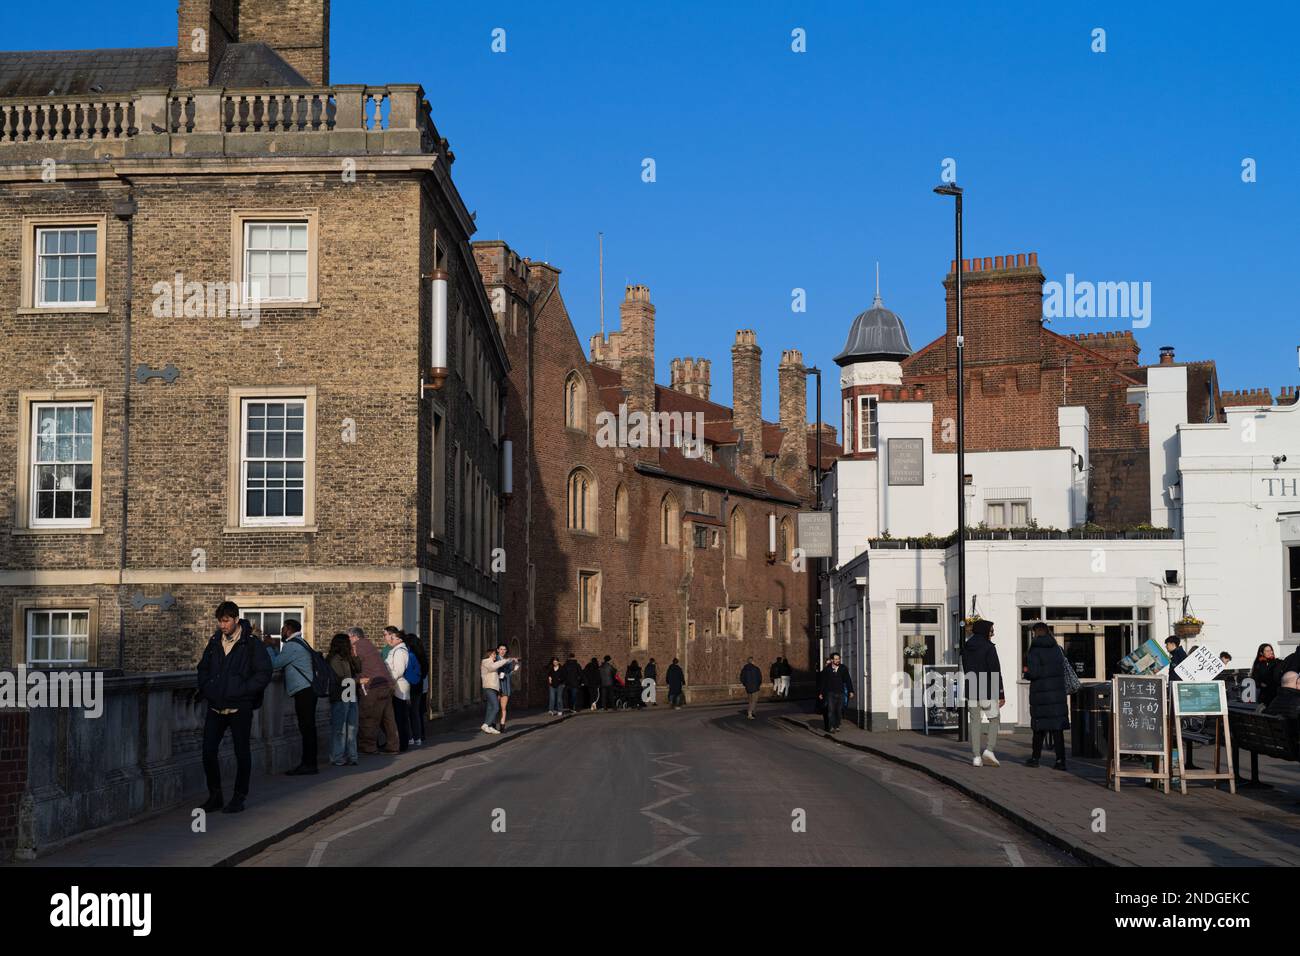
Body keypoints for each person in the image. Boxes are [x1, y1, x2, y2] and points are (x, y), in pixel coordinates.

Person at [196, 601, 272, 814]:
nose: (222, 625)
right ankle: (215, 795)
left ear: (236, 620)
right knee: (208, 752)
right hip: (216, 707)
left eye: (226, 621)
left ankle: (239, 796)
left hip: (240, 707)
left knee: (242, 753)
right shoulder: (214, 642)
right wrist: (207, 687)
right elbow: (203, 668)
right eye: (220, 621)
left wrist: (244, 690)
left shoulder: (251, 644)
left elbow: (264, 672)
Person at [270, 618, 320, 775]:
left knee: (307, 729)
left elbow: (275, 664)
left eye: (283, 629)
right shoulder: (301, 642)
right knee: (309, 728)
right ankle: (310, 763)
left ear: (289, 629)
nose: (281, 632)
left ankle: (309, 764)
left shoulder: (291, 646)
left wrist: (270, 648)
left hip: (304, 691)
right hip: (309, 689)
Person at [960, 618, 1004, 767]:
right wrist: (1001, 693)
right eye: (991, 630)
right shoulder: (989, 647)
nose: (993, 633)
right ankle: (989, 750)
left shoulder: (966, 646)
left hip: (971, 687)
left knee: (975, 722)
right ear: (985, 630)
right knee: (994, 719)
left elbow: (966, 668)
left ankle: (976, 757)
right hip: (987, 687)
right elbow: (995, 671)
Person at [1024, 623, 1068, 770]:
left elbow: (1034, 673)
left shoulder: (1034, 651)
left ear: (1035, 633)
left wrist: (1027, 673)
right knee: (1057, 729)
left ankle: (1035, 758)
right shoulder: (1057, 649)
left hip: (1041, 695)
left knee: (1039, 729)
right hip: (1057, 695)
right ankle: (1060, 761)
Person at [350, 626, 399, 755]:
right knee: (388, 719)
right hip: (387, 685)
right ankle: (393, 746)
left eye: (349, 638)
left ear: (354, 637)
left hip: (373, 686)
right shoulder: (369, 645)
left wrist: (355, 679)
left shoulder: (356, 646)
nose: (348, 641)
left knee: (368, 717)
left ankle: (368, 747)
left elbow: (354, 665)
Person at [326, 632, 361, 766]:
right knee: (340, 728)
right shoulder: (335, 660)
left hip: (351, 693)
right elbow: (341, 679)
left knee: (353, 727)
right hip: (341, 695)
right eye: (349, 643)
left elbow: (358, 669)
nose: (351, 644)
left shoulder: (348, 658)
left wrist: (355, 655)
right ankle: (337, 756)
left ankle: (352, 756)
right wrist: (358, 682)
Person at [383, 627, 411, 753]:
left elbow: (398, 671)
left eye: (386, 635)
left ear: (395, 637)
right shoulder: (395, 650)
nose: (386, 638)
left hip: (398, 688)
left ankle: (402, 744)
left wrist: (388, 680)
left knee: (399, 717)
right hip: (397, 686)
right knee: (399, 716)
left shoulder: (400, 651)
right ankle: (400, 742)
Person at [481, 647, 516, 734]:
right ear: (489, 655)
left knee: (490, 708)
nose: (495, 656)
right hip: (489, 687)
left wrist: (511, 671)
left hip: (494, 687)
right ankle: (486, 725)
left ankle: (489, 727)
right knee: (496, 707)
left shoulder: (491, 662)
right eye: (494, 654)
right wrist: (506, 660)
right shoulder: (486, 662)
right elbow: (493, 667)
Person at [818, 653, 853, 732]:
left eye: (838, 659)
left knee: (839, 711)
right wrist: (821, 693)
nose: (838, 660)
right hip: (830, 693)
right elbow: (823, 682)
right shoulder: (827, 669)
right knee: (831, 710)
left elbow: (848, 680)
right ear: (832, 660)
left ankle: (836, 724)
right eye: (836, 659)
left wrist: (850, 691)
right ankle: (831, 727)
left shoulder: (843, 668)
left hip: (840, 692)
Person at [405, 630, 427, 746]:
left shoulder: (409, 656)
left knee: (407, 713)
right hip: (419, 686)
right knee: (416, 712)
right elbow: (424, 672)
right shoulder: (422, 655)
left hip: (409, 686)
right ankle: (418, 737)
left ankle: (410, 737)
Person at [497, 645, 515, 730]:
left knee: (503, 707)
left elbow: (509, 673)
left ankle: (502, 725)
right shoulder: (495, 659)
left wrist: (514, 670)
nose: (503, 651)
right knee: (495, 707)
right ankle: (492, 724)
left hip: (505, 683)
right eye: (501, 649)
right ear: (498, 650)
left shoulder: (509, 660)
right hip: (497, 684)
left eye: (504, 649)